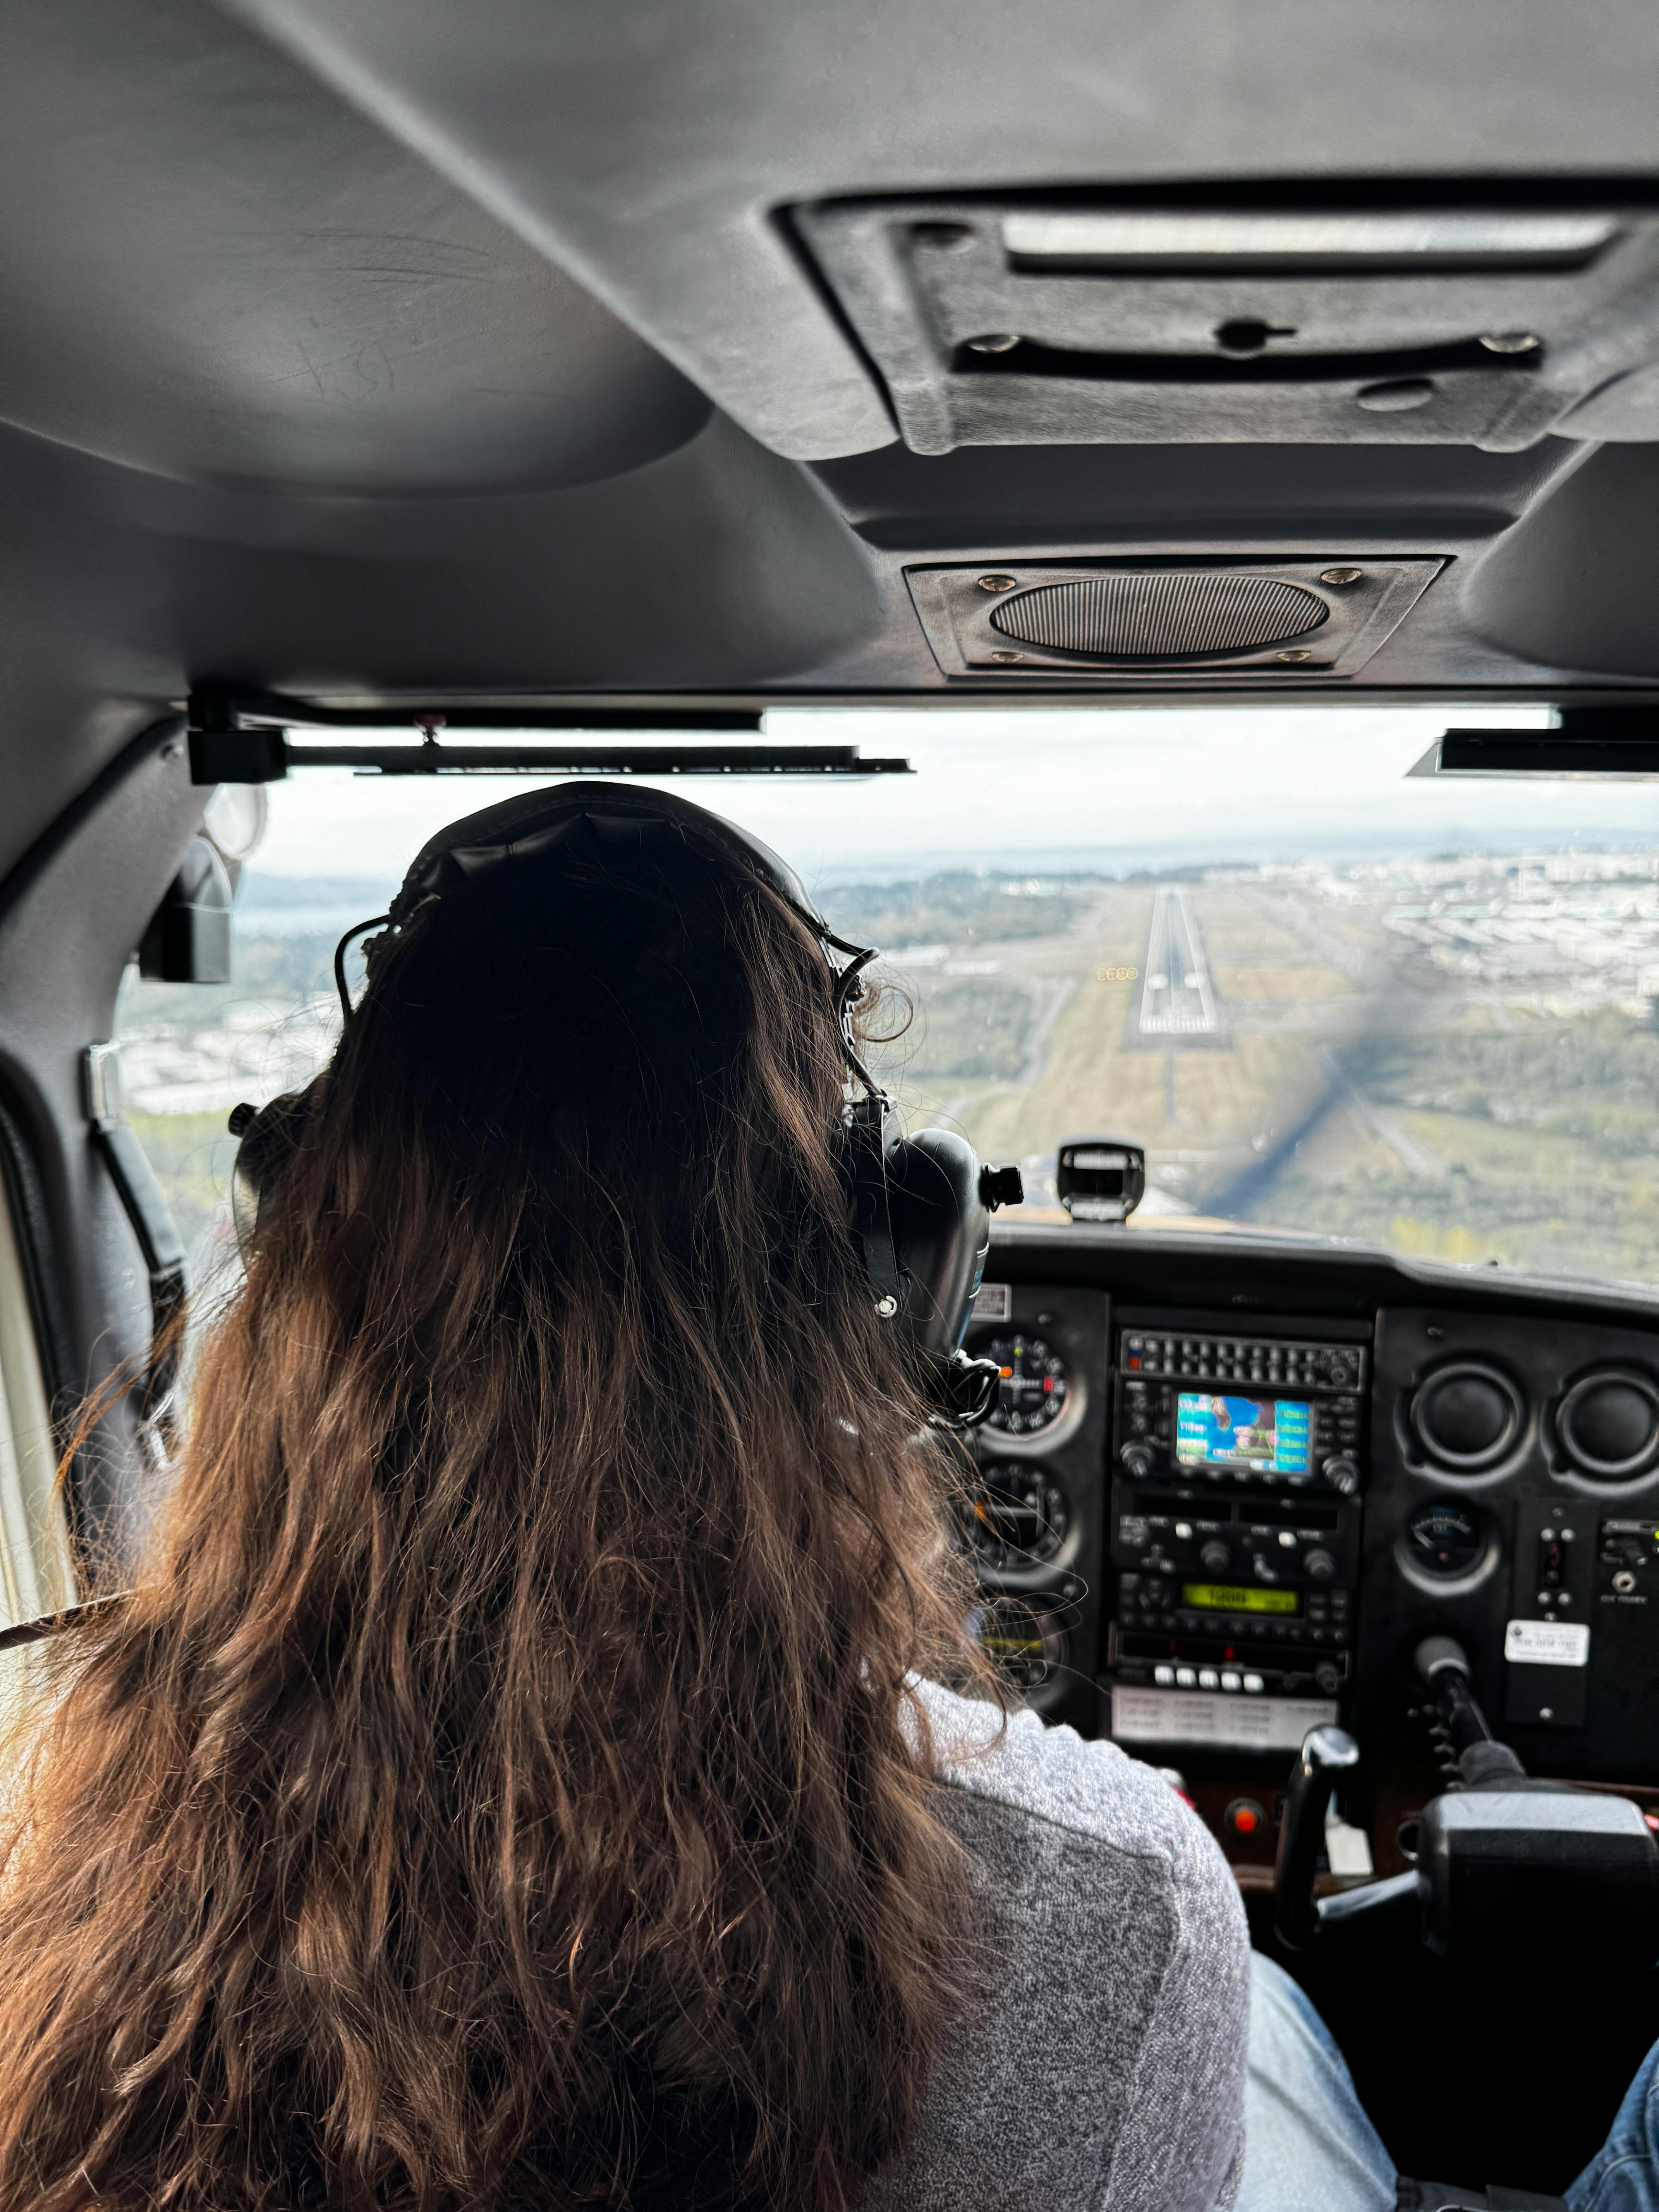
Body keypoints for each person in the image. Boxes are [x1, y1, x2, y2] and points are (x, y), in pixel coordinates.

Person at [0, 780, 1647, 2212]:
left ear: (293, 1268)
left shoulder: (68, 1836)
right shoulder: (1108, 1894)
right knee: (1278, 2031)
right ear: (889, 1284)